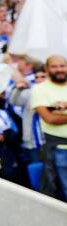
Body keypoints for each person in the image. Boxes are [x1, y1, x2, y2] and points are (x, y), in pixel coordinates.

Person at [29, 54, 67, 201]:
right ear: (47, 69)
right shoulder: (40, 89)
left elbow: (56, 116)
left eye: (62, 65)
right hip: (59, 148)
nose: (59, 69)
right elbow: (49, 118)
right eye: (54, 66)